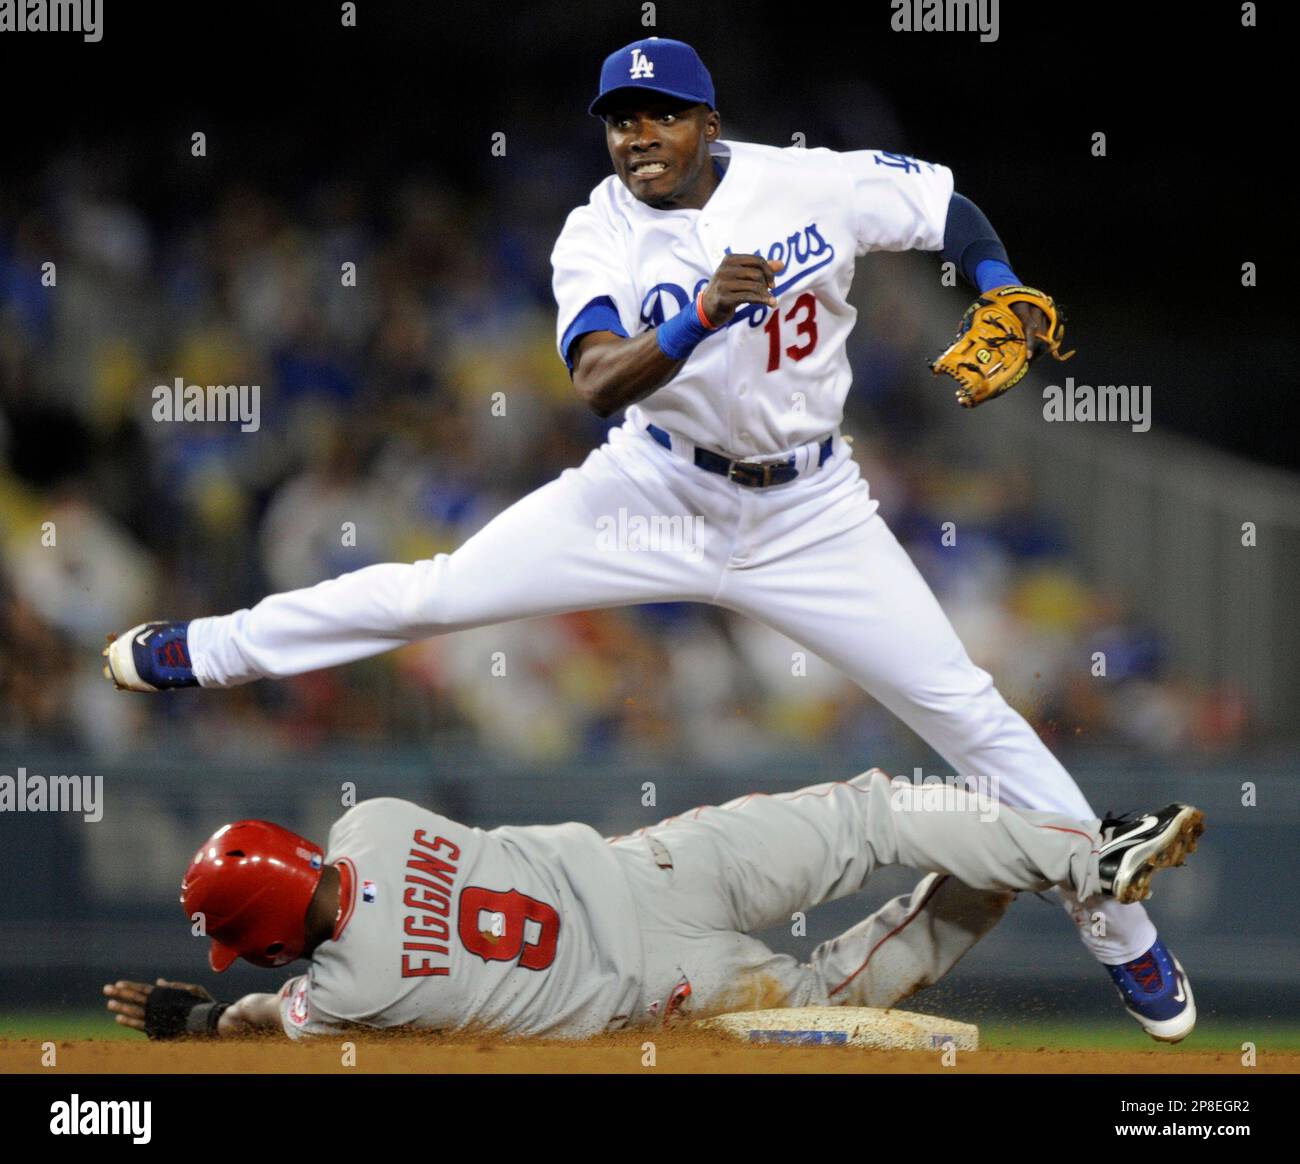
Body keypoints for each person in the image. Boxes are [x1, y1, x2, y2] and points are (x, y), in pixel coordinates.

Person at [102, 37, 1193, 1039]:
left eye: (661, 114)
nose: (638, 136)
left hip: (810, 509)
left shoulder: (809, 181)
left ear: (709, 123)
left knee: (969, 713)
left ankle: (1123, 934)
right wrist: (697, 316)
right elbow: (594, 380)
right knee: (439, 592)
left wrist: (998, 284)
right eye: (621, 120)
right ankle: (210, 650)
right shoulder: (600, 231)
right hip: (653, 490)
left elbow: (945, 203)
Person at [102, 772, 1203, 1042]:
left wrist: (197, 1022)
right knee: (872, 814)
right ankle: (1078, 858)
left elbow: (263, 1018)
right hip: (663, 869)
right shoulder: (374, 821)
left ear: (267, 933)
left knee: (840, 986)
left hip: (665, 989)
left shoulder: (348, 993)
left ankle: (1009, 875)